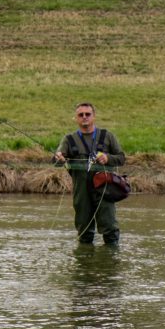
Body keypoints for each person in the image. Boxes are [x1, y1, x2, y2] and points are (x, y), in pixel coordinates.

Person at [54, 102, 127, 245]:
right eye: (80, 115)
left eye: (88, 114)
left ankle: (109, 262)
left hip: (104, 189)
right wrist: (59, 158)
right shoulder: (68, 139)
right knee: (84, 230)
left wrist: (108, 158)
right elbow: (56, 161)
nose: (84, 117)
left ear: (94, 116)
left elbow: (121, 158)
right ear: (76, 118)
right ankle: (85, 264)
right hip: (81, 191)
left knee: (110, 229)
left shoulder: (107, 136)